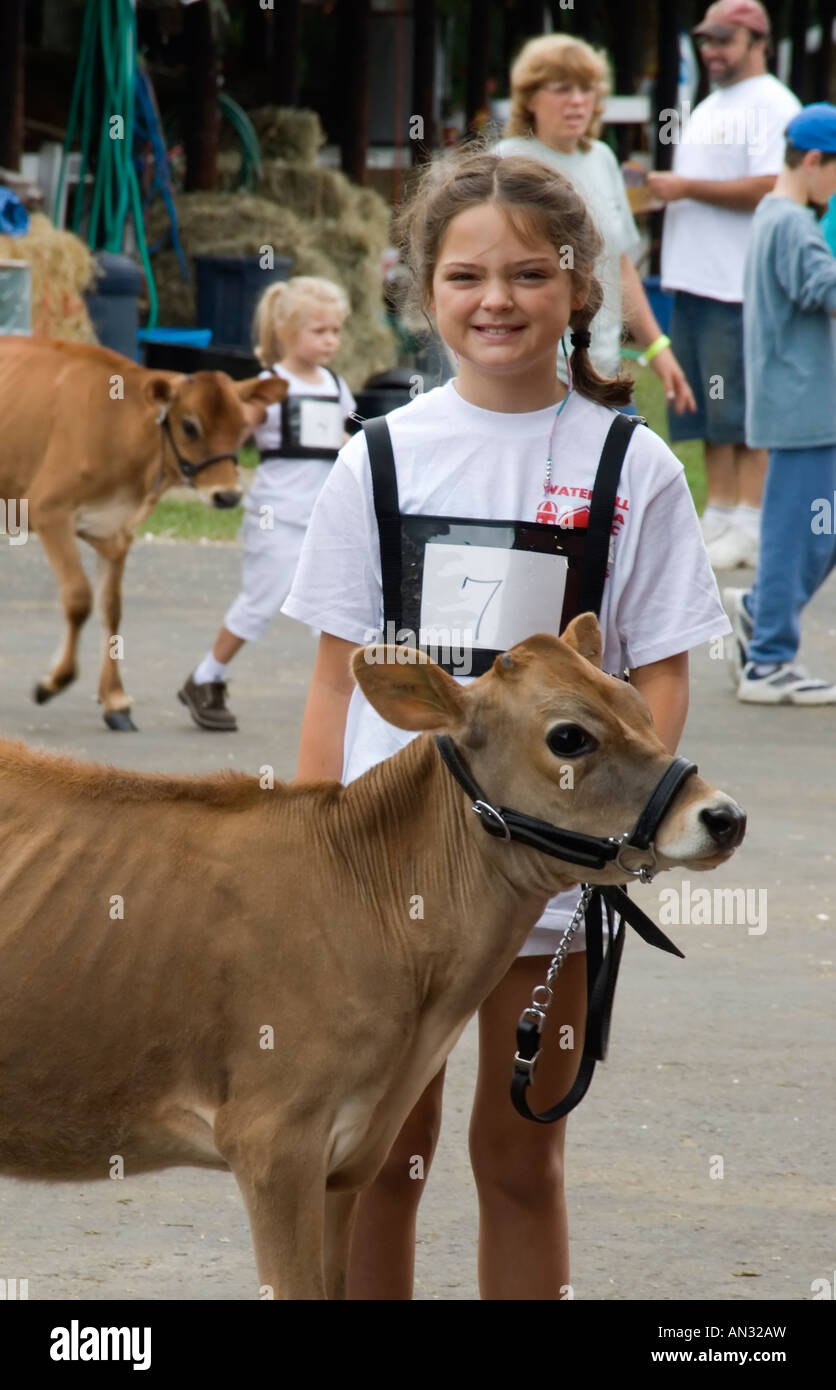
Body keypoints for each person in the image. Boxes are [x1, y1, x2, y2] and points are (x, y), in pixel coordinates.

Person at [281, 149, 730, 1299]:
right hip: (394, 883)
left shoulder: (629, 468)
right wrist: (308, 863)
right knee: (377, 1158)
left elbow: (656, 684)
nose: (496, 300)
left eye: (529, 274)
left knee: (521, 1156)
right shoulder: (375, 461)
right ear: (423, 288)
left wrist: (607, 844)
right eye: (466, 275)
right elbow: (335, 685)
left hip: (553, 879)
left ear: (578, 288)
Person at [647, 0, 800, 571]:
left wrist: (684, 187)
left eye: (724, 40)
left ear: (757, 40)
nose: (711, 51)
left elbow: (772, 183)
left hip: (738, 282)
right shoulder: (713, 102)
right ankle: (720, 511)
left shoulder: (772, 103)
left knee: (743, 409)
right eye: (706, 40)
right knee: (707, 409)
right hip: (694, 280)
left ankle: (752, 520)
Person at [178, 276, 355, 731]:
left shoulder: (336, 386)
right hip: (276, 515)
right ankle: (205, 677)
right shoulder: (269, 386)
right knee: (261, 603)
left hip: (324, 519)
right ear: (287, 334)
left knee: (335, 610)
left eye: (336, 331)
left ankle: (349, 698)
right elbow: (230, 434)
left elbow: (345, 439)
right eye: (320, 331)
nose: (331, 340)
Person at [495, 33, 696, 415]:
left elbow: (619, 264)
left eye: (586, 88)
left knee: (630, 471)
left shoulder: (602, 159)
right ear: (530, 98)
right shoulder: (508, 162)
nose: (577, 100)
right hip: (532, 380)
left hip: (601, 373)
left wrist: (657, 349)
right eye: (562, 88)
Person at [724, 104, 836, 704]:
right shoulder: (792, 224)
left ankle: (762, 613)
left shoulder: (775, 214)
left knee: (819, 531)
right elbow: (826, 289)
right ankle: (768, 660)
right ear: (815, 161)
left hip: (804, 406)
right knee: (801, 535)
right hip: (803, 410)